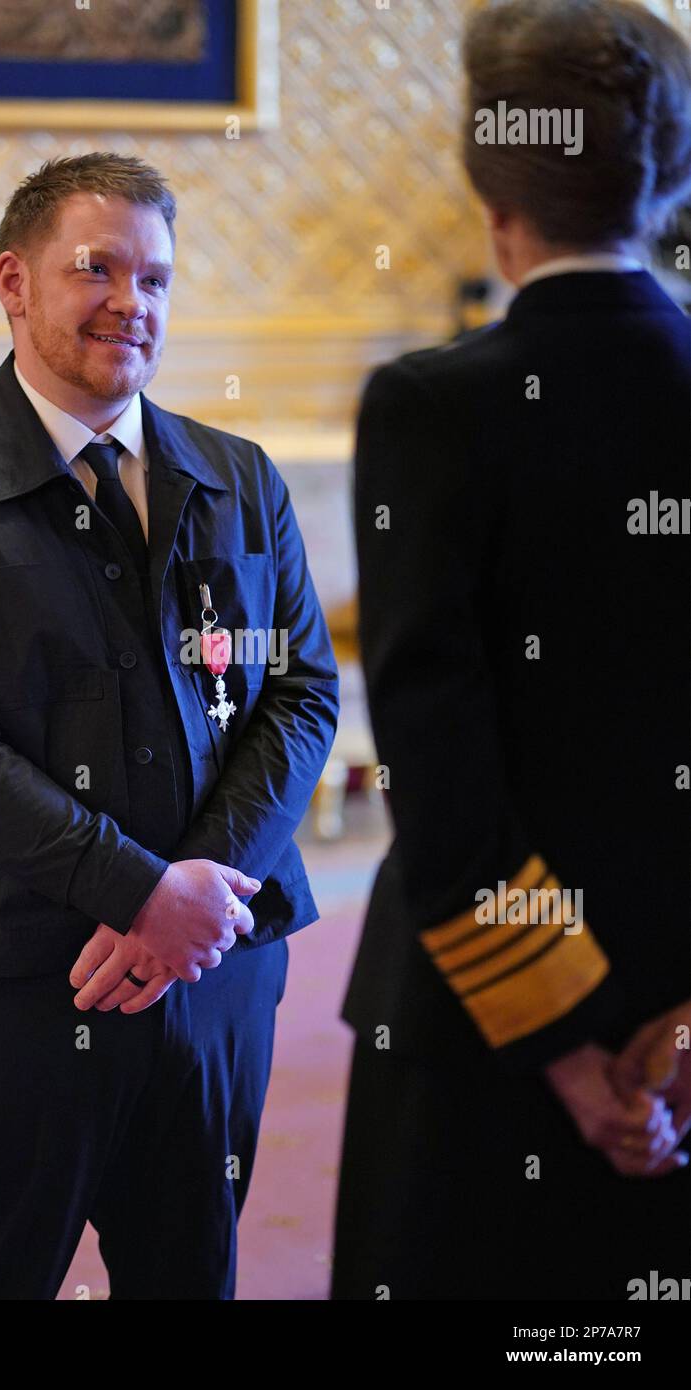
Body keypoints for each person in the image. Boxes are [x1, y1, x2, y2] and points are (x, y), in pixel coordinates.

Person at [0, 153, 339, 1300]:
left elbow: (300, 692)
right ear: (14, 283)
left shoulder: (239, 477)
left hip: (215, 975)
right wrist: (134, 892)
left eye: (157, 277)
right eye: (96, 268)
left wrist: (196, 889)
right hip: (21, 983)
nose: (134, 302)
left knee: (188, 1280)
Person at [333, 0, 691, 1300]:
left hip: (484, 1037)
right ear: (665, 176)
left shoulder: (432, 405)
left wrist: (564, 1051)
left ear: (490, 193)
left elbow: (438, 761)